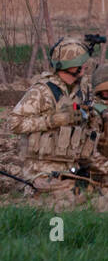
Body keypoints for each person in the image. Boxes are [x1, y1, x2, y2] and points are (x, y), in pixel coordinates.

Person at [10, 36, 101, 200]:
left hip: (72, 167)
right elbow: (15, 123)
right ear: (69, 66)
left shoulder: (80, 91)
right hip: (42, 170)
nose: (85, 66)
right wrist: (52, 120)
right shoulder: (42, 91)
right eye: (81, 63)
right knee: (79, 196)